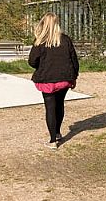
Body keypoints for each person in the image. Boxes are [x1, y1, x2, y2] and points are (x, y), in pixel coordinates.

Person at [28, 13, 79, 148]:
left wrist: (42, 65)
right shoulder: (66, 40)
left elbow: (32, 62)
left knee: (50, 108)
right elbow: (74, 60)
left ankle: (53, 141)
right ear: (57, 24)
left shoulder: (40, 41)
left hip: (47, 79)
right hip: (64, 78)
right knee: (60, 104)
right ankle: (57, 132)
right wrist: (74, 76)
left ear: (44, 24)